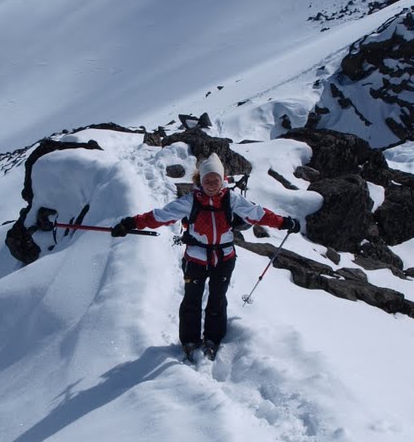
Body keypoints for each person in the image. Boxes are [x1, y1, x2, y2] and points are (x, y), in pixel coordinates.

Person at [111, 154, 298, 359]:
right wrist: (130, 223)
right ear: (200, 180)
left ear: (222, 180)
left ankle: (213, 339)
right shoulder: (190, 201)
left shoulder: (231, 199)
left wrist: (284, 223)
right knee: (192, 300)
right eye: (207, 180)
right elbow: (160, 216)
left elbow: (258, 214)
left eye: (215, 180)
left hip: (224, 259)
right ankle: (189, 341)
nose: (210, 185)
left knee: (217, 299)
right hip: (195, 259)